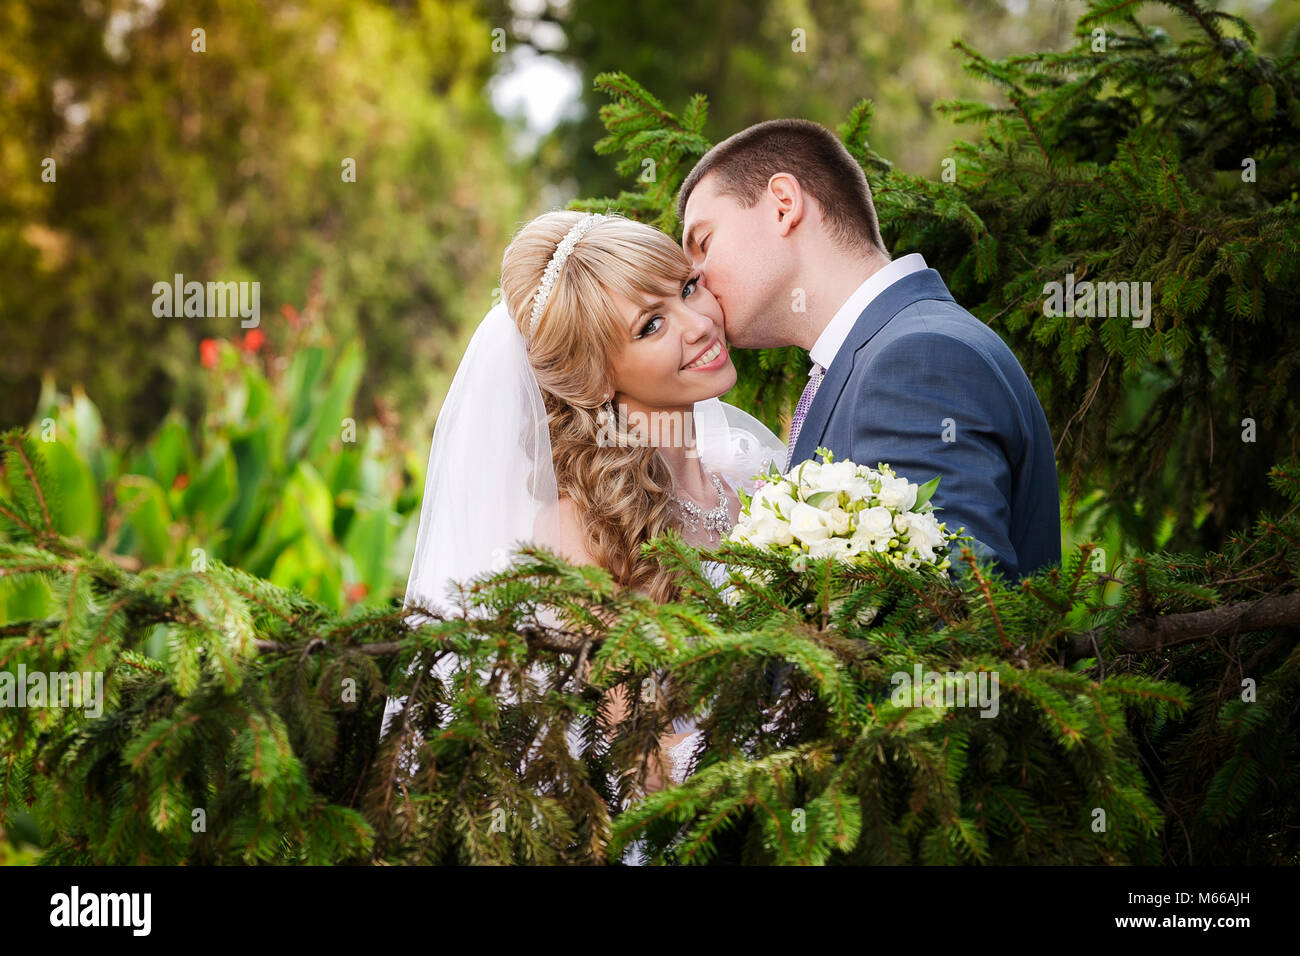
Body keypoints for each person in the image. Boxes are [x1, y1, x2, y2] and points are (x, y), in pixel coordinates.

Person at [385, 210, 786, 796]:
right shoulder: (585, 531)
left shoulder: (752, 476)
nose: (697, 324)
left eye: (688, 288)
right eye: (651, 326)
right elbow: (633, 757)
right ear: (593, 377)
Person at [677, 119, 1062, 581]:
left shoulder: (918, 358)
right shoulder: (884, 351)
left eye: (703, 242)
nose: (694, 276)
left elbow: (951, 612)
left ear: (783, 204)